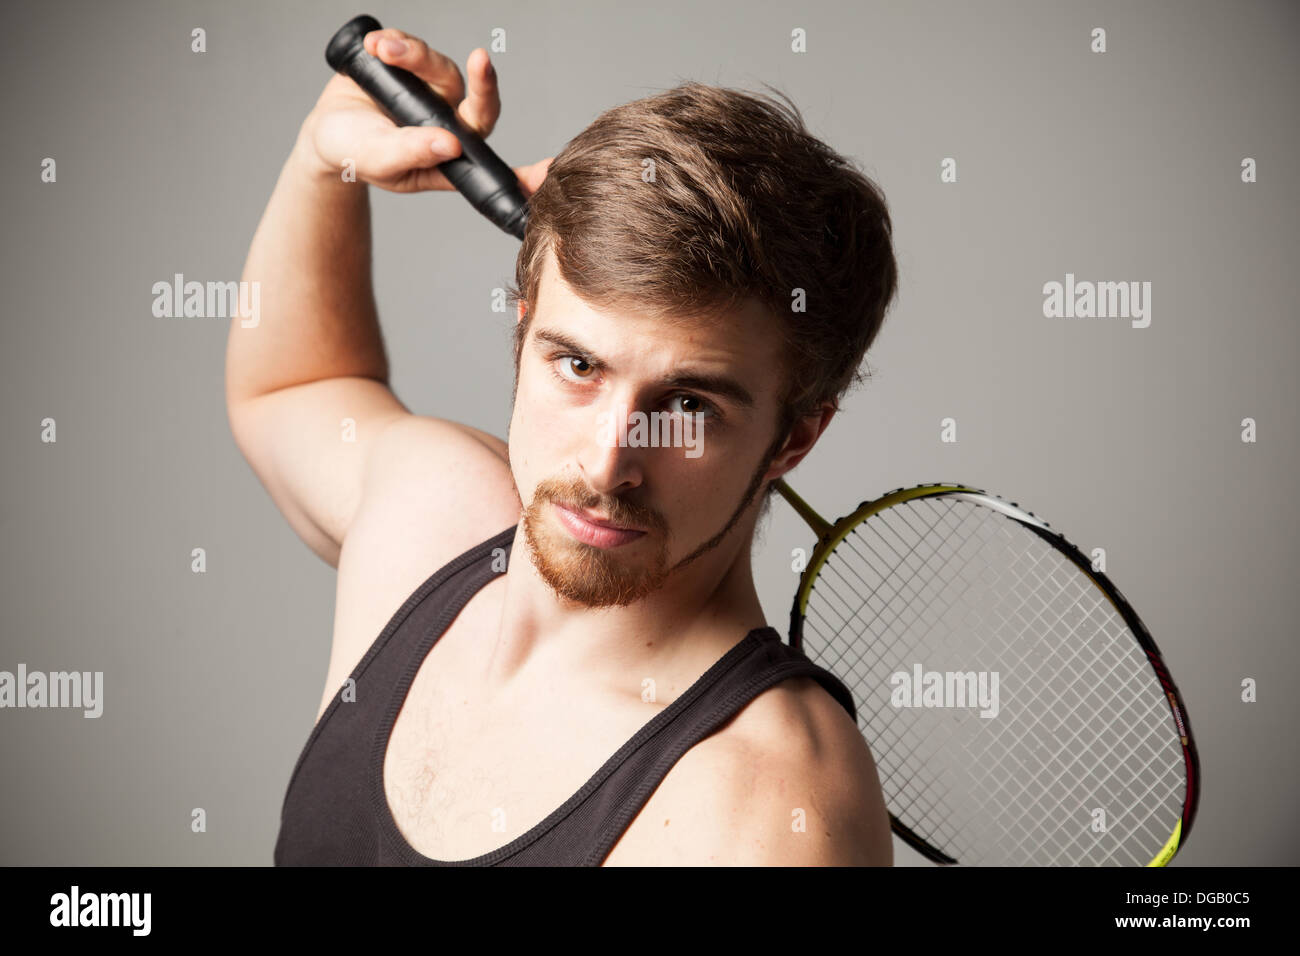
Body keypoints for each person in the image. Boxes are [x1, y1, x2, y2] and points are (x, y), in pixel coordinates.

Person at [227, 25, 898, 866]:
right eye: (578, 364)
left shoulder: (758, 809)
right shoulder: (434, 520)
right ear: (522, 331)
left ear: (795, 437)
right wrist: (323, 164)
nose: (607, 459)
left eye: (688, 404)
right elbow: (292, 385)